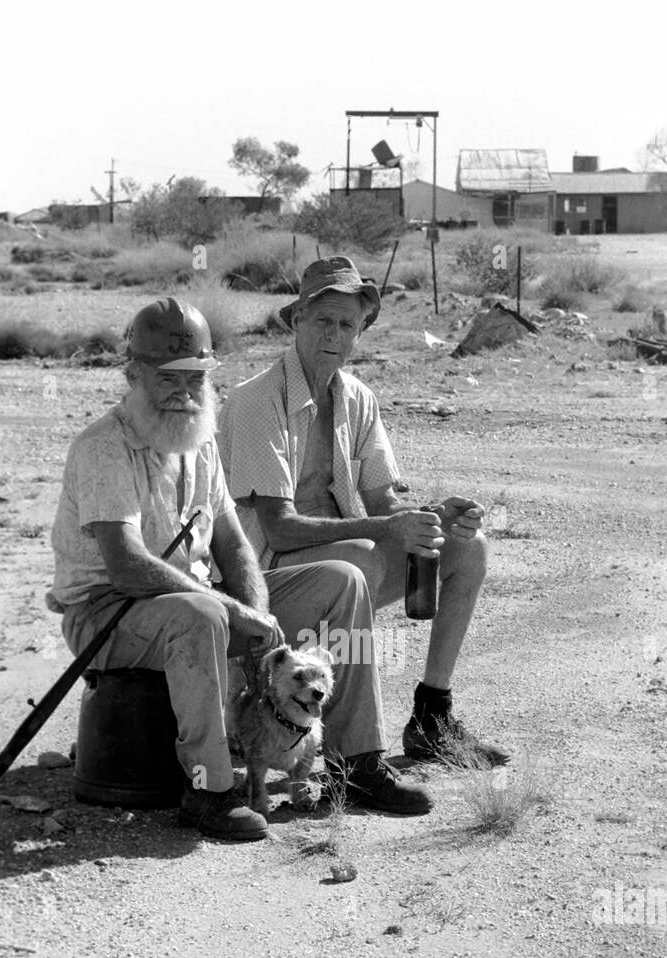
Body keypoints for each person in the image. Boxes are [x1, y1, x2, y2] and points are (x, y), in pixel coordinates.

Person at [46, 298, 432, 843]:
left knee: (341, 579)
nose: (184, 390)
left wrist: (259, 616)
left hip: (196, 600)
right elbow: (128, 566)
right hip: (108, 614)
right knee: (203, 613)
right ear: (133, 373)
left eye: (196, 376)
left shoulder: (198, 442)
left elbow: (233, 544)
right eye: (168, 376)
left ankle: (356, 762)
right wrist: (231, 611)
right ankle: (211, 789)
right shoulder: (105, 447)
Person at [217, 256, 510, 767]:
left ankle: (431, 717)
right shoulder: (256, 400)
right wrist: (386, 526)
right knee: (361, 556)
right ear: (297, 321)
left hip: (346, 566)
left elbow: (383, 502)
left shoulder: (357, 398)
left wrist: (431, 516)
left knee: (467, 547)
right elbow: (280, 529)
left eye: (347, 324)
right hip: (261, 585)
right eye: (324, 320)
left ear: (360, 333)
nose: (335, 334)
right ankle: (341, 747)